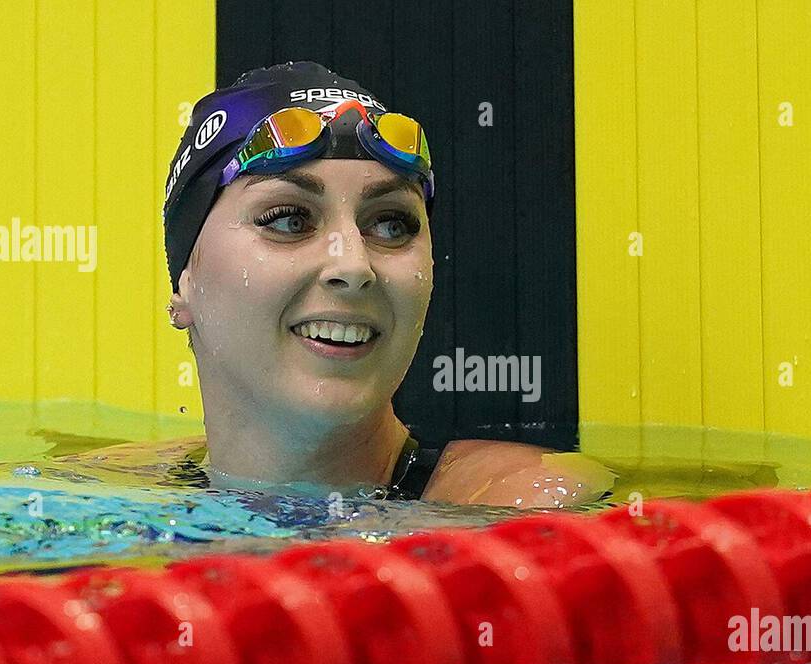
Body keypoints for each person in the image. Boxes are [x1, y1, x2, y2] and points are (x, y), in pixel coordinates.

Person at [159, 61, 611, 507]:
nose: (354, 265)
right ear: (185, 284)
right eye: (290, 219)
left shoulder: (523, 504)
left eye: (391, 225)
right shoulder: (115, 485)